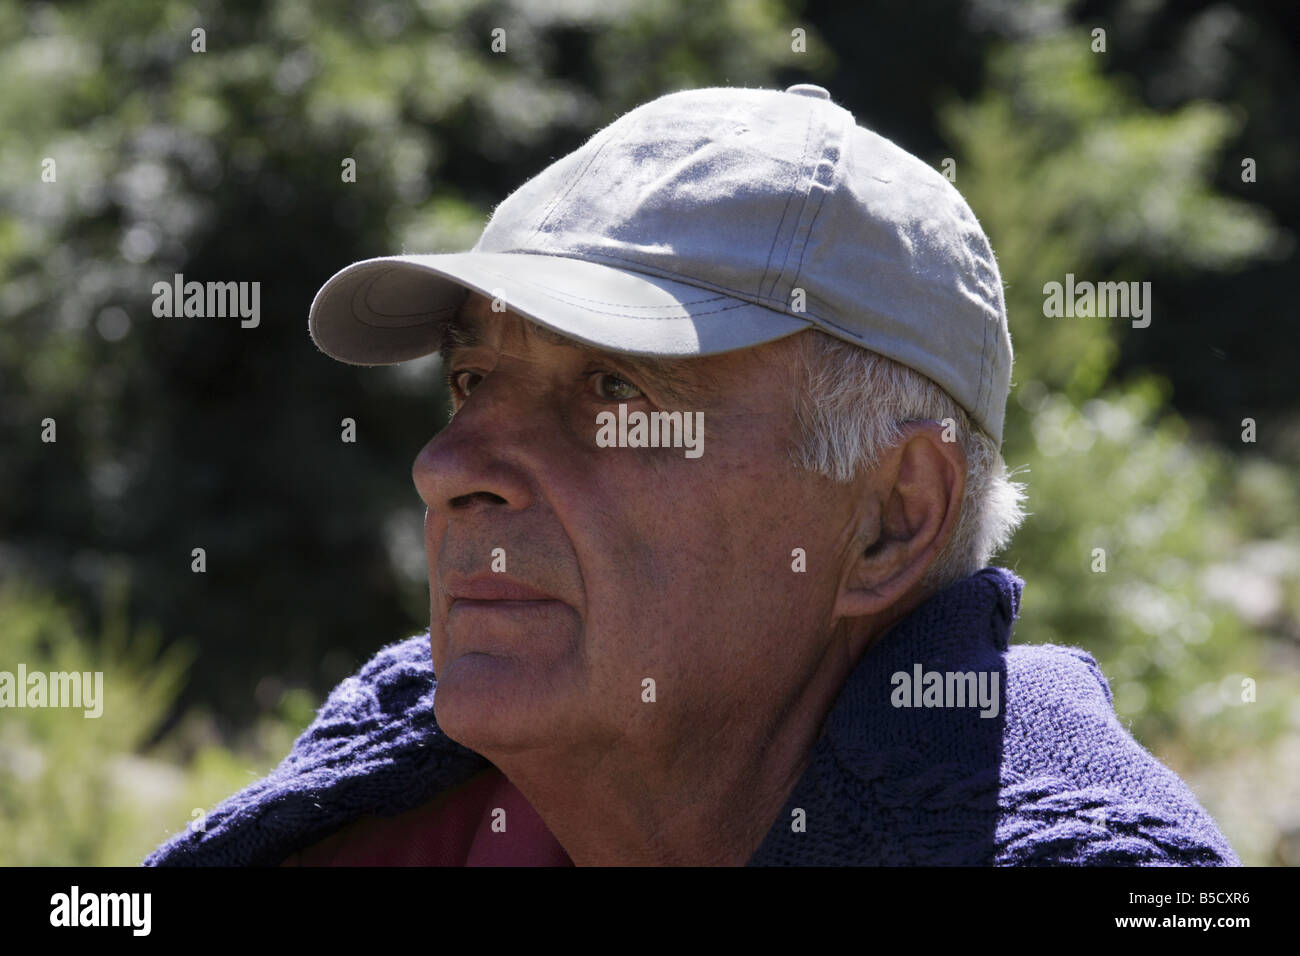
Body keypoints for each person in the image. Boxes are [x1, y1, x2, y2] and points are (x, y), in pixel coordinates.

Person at [144, 84, 1239, 866]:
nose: (447, 468)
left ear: (893, 519)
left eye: (616, 391)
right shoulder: (375, 809)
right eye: (472, 379)